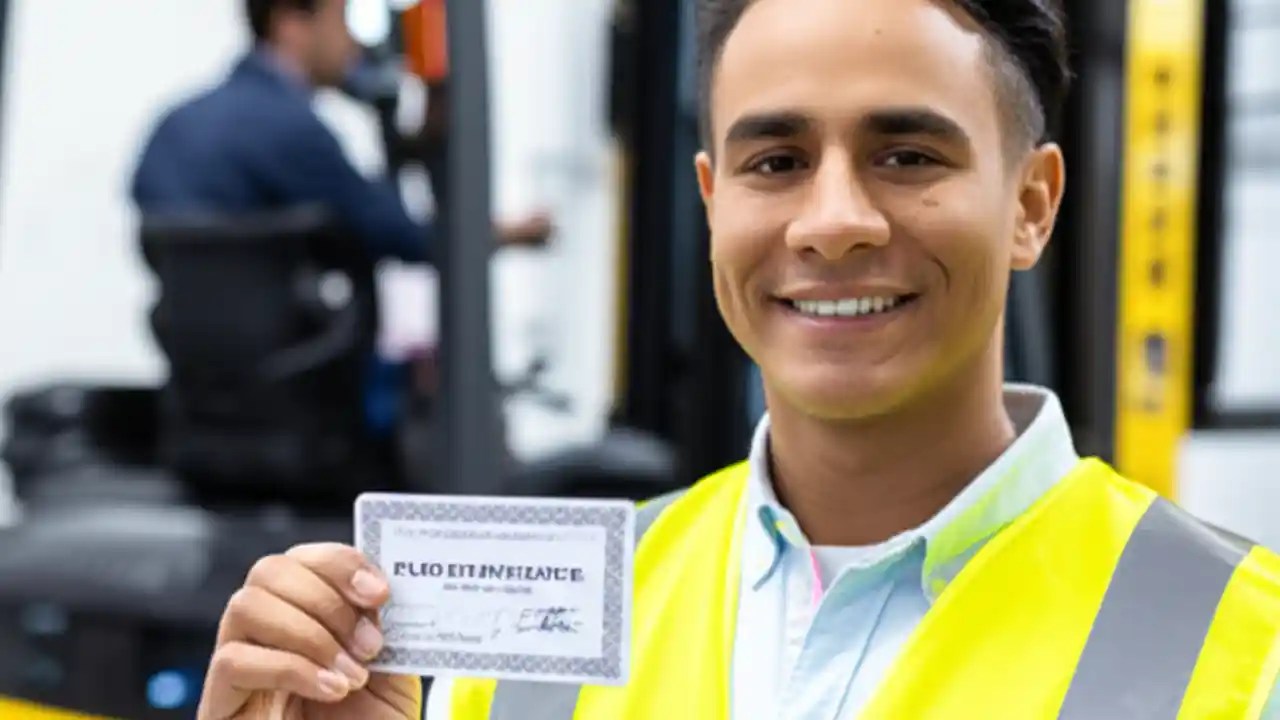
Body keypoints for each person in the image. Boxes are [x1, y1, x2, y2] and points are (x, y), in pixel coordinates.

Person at [194, 0, 1280, 718]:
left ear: (1030, 205)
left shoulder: (1245, 650)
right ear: (713, 204)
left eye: (905, 155)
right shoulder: (528, 646)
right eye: (777, 160)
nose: (834, 220)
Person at [131, 0, 551, 265]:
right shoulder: (291, 130)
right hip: (299, 381)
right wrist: (506, 233)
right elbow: (400, 236)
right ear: (291, 22)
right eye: (341, 17)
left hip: (204, 387)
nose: (351, 41)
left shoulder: (173, 126)